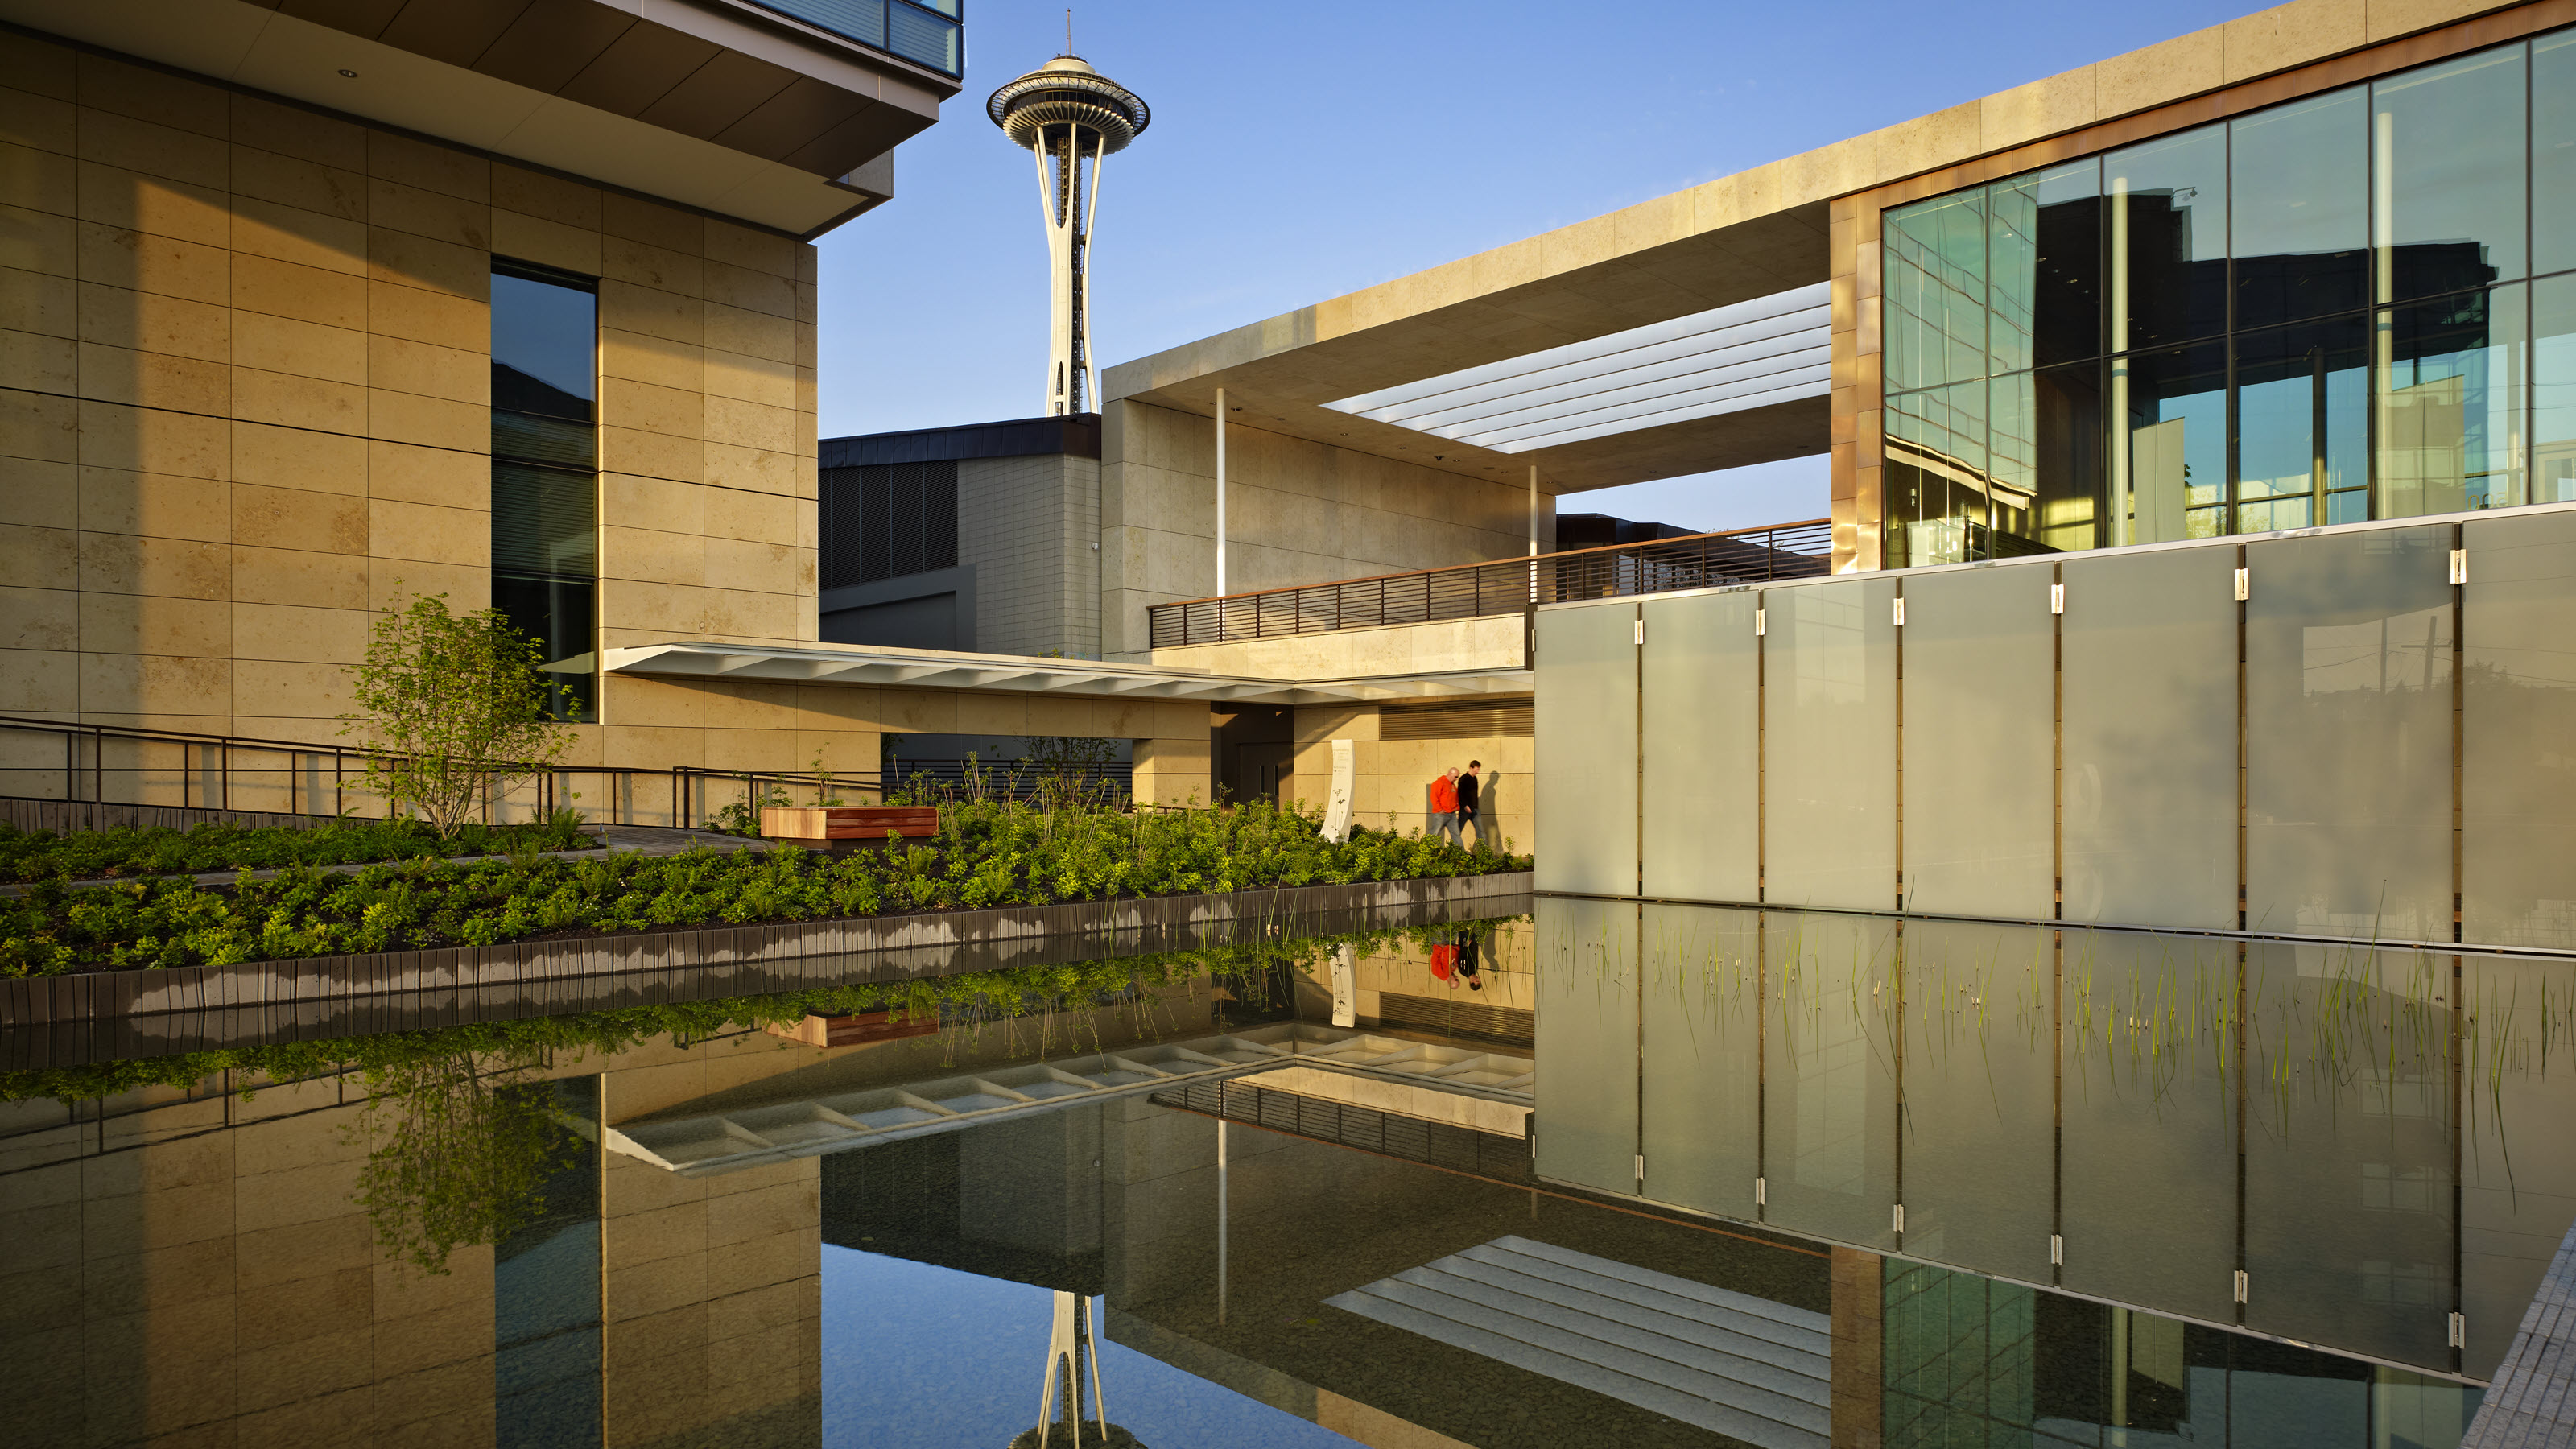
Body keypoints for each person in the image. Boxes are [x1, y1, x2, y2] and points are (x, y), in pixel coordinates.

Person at [1427, 768, 1461, 845]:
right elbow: (1434, 797)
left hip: (1452, 815)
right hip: (1441, 815)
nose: (1456, 779)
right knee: (1434, 834)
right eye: (1456, 777)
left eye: (1457, 777)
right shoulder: (1439, 783)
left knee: (1457, 835)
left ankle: (1460, 854)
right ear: (1450, 774)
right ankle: (1426, 852)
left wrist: (1457, 807)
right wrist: (1440, 809)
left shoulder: (1452, 785)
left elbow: (1456, 798)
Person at [1457, 760, 1483, 850]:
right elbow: (1460, 794)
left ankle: (1483, 853)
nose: (1477, 772)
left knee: (1481, 832)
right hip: (1465, 810)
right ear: (1471, 768)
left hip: (1475, 810)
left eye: (1478, 770)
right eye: (1476, 770)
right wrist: (1465, 805)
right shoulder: (1463, 779)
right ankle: (1453, 850)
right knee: (1458, 831)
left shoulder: (1475, 779)